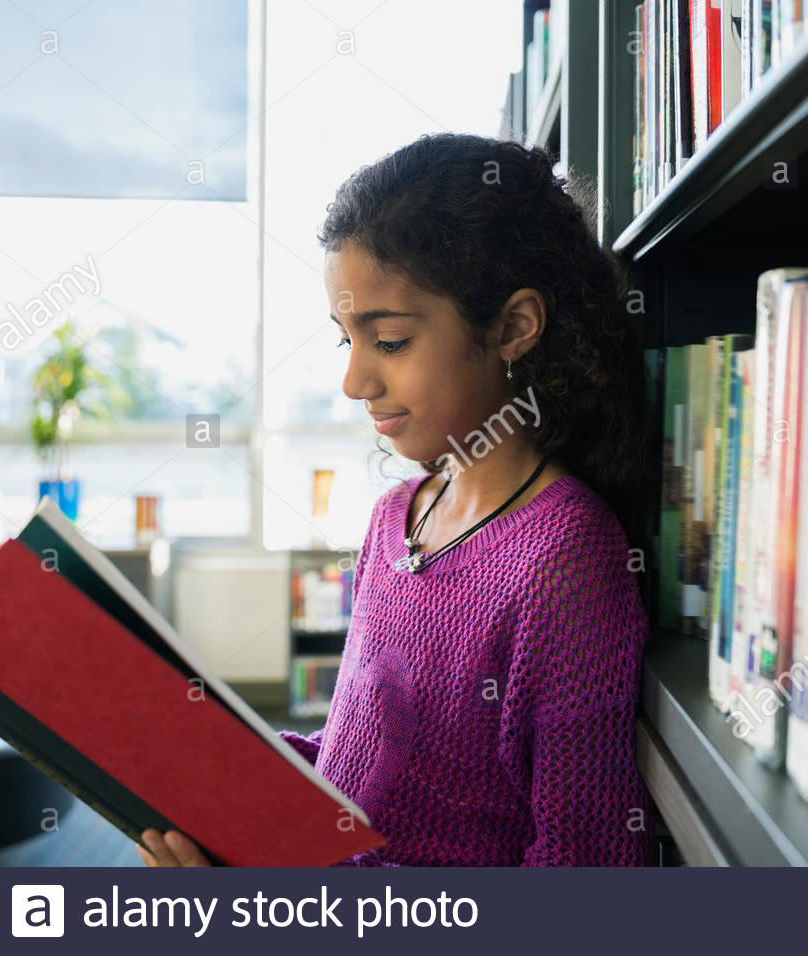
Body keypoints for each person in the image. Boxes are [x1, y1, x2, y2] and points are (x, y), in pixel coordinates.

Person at [139, 132, 657, 867]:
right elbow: (363, 766)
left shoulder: (564, 564)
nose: (354, 382)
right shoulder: (396, 519)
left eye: (388, 342)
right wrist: (225, 774)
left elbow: (582, 876)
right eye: (346, 339)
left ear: (513, 327)